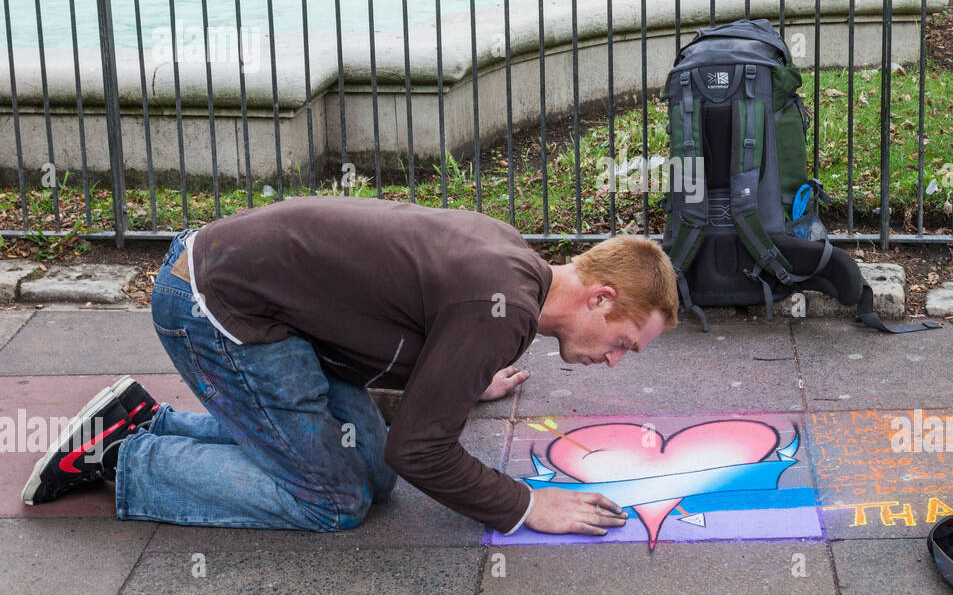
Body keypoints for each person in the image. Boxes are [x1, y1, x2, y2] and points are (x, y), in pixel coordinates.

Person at [23, 198, 679, 539]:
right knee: (332, 500)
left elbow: (423, 317)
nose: (615, 360)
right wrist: (526, 505)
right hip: (216, 310)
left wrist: (458, 378)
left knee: (372, 475)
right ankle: (122, 457)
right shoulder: (497, 308)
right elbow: (421, 451)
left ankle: (146, 419)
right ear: (601, 298)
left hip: (249, 292)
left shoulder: (514, 268)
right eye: (625, 342)